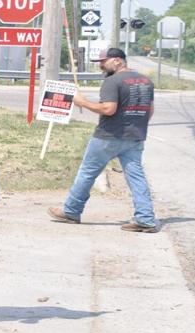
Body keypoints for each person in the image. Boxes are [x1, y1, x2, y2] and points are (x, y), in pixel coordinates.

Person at [47, 47, 157, 232]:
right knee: (136, 176)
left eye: (103, 62)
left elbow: (108, 109)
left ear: (117, 61)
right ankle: (145, 218)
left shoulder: (113, 82)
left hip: (108, 136)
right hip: (135, 136)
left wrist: (82, 103)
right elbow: (150, 110)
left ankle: (71, 211)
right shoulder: (146, 81)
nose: (101, 66)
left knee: (87, 172)